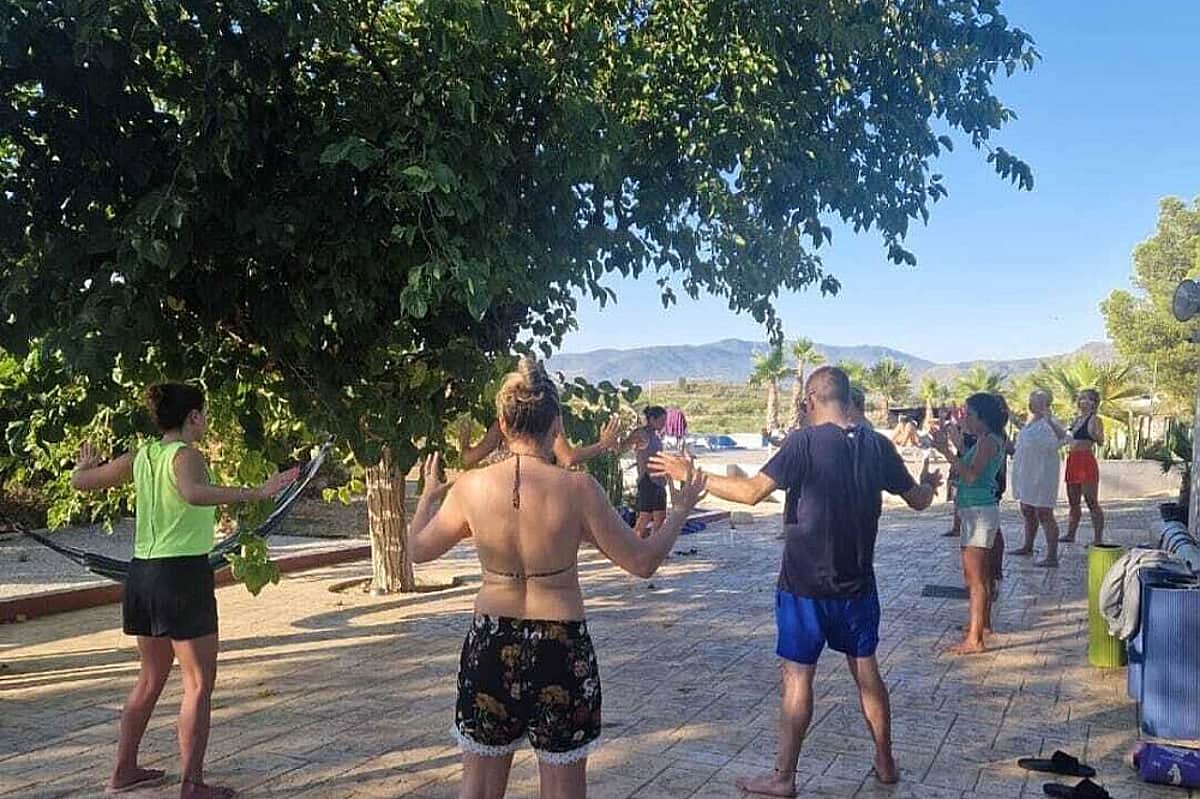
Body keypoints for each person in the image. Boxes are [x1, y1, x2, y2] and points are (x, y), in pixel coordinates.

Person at [408, 358, 706, 799]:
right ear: (556, 425)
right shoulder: (579, 489)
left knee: (479, 789)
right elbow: (642, 562)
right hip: (560, 644)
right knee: (564, 789)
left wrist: (427, 501)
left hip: (490, 642)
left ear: (503, 424)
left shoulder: (470, 486)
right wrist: (679, 512)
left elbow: (417, 551)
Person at [651, 366, 941, 798]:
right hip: (858, 587)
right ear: (846, 398)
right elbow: (918, 500)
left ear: (810, 398)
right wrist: (932, 484)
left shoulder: (803, 442)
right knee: (867, 674)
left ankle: (783, 778)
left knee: (797, 680)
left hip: (804, 588)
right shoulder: (878, 445)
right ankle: (885, 761)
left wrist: (691, 474)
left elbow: (751, 493)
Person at [70, 384, 298, 799]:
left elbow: (82, 483)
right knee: (197, 684)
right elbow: (192, 494)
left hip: (142, 576)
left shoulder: (142, 456)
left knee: (150, 678)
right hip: (181, 577)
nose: (205, 421)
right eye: (204, 414)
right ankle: (192, 784)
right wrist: (257, 492)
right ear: (193, 417)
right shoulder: (186, 455)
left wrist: (81, 467)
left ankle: (123, 771)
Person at [931, 393, 1007, 655]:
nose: (968, 420)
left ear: (982, 417)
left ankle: (975, 639)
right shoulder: (988, 441)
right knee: (981, 575)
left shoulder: (988, 441)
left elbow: (972, 475)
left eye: (971, 415)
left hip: (978, 511)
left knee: (974, 578)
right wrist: (956, 447)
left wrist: (945, 452)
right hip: (976, 510)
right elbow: (973, 463)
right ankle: (982, 624)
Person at [1010, 390, 1068, 566]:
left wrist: (1050, 420)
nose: (1032, 404)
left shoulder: (1051, 422)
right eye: (1031, 400)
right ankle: (1028, 546)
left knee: (1044, 513)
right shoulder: (1030, 423)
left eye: (1037, 401)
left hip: (1043, 476)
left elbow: (1065, 437)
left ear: (1046, 404)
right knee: (1027, 509)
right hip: (1026, 474)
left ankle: (1052, 556)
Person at [459, 413, 623, 469]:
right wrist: (602, 445)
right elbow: (568, 458)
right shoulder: (550, 417)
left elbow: (468, 458)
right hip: (543, 488)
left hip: (506, 490)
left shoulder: (504, 423)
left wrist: (464, 440)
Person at [1063, 388, 1105, 544]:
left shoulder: (1095, 419)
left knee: (1091, 500)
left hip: (1085, 459)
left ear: (1094, 403)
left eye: (1086, 399)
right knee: (1073, 500)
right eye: (1080, 399)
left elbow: (1101, 441)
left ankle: (1098, 539)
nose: (1082, 402)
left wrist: (1093, 433)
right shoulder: (1075, 420)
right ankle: (1070, 534)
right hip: (1072, 459)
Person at [633, 406, 670, 538]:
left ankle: (654, 545)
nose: (663, 424)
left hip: (659, 480)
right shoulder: (641, 434)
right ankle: (632, 545)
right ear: (652, 419)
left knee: (660, 516)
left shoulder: (656, 436)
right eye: (661, 421)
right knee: (645, 516)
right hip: (647, 479)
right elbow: (623, 446)